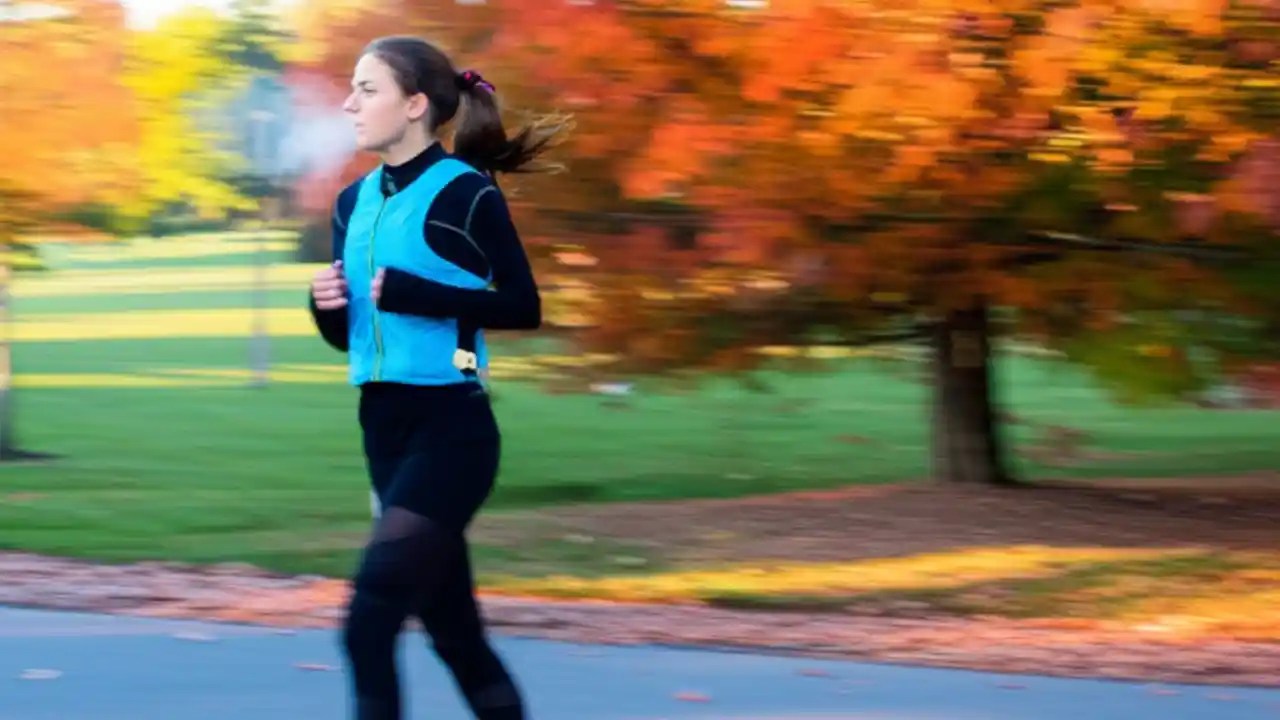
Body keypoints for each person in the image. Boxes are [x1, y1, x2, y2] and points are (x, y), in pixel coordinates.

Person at [307, 35, 569, 720]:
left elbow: (523, 305)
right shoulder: (350, 204)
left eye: (368, 90)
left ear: (415, 105)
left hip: (452, 432)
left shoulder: (467, 194)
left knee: (367, 627)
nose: (349, 103)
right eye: (350, 88)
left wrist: (427, 294)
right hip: (382, 431)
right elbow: (350, 340)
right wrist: (324, 309)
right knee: (457, 637)